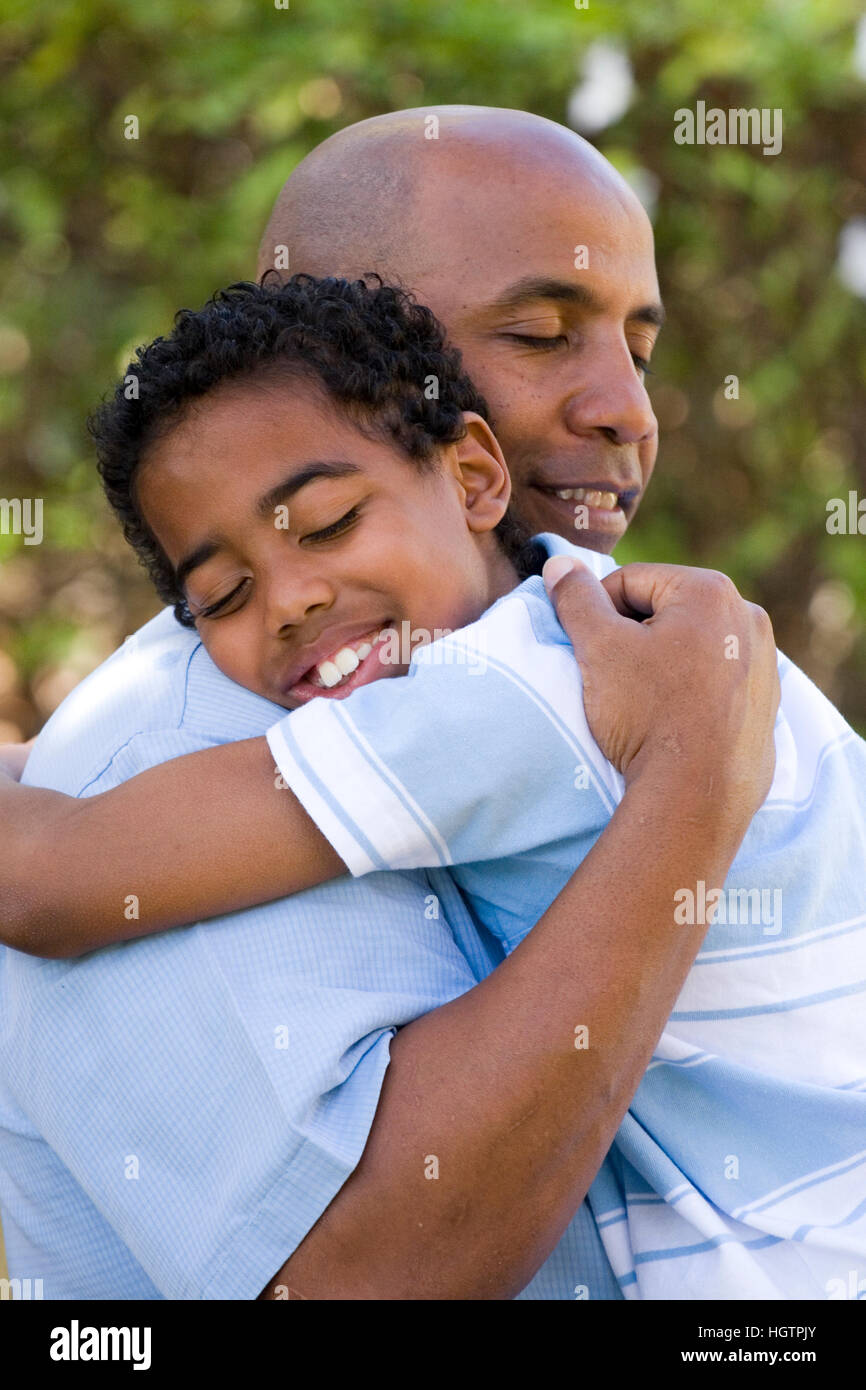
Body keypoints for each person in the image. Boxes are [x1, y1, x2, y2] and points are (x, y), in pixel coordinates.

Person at [0, 123, 779, 1302]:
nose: (627, 406)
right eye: (536, 333)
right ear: (331, 332)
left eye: (636, 342)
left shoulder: (592, 646)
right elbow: (377, 1278)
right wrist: (691, 779)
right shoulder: (175, 752)